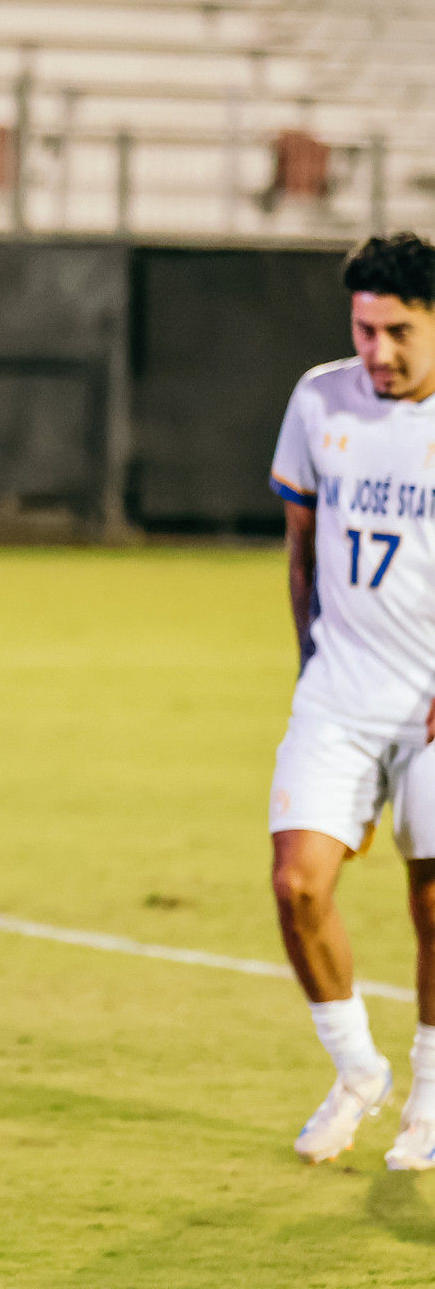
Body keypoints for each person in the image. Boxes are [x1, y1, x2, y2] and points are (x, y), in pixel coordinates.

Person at [268, 232, 435, 1170]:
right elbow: (300, 546)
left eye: (398, 331)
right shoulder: (317, 398)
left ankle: (432, 1096)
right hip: (338, 690)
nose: (377, 351)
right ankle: (357, 1069)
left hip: (432, 703)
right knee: (298, 884)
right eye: (364, 329)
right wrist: (309, 664)